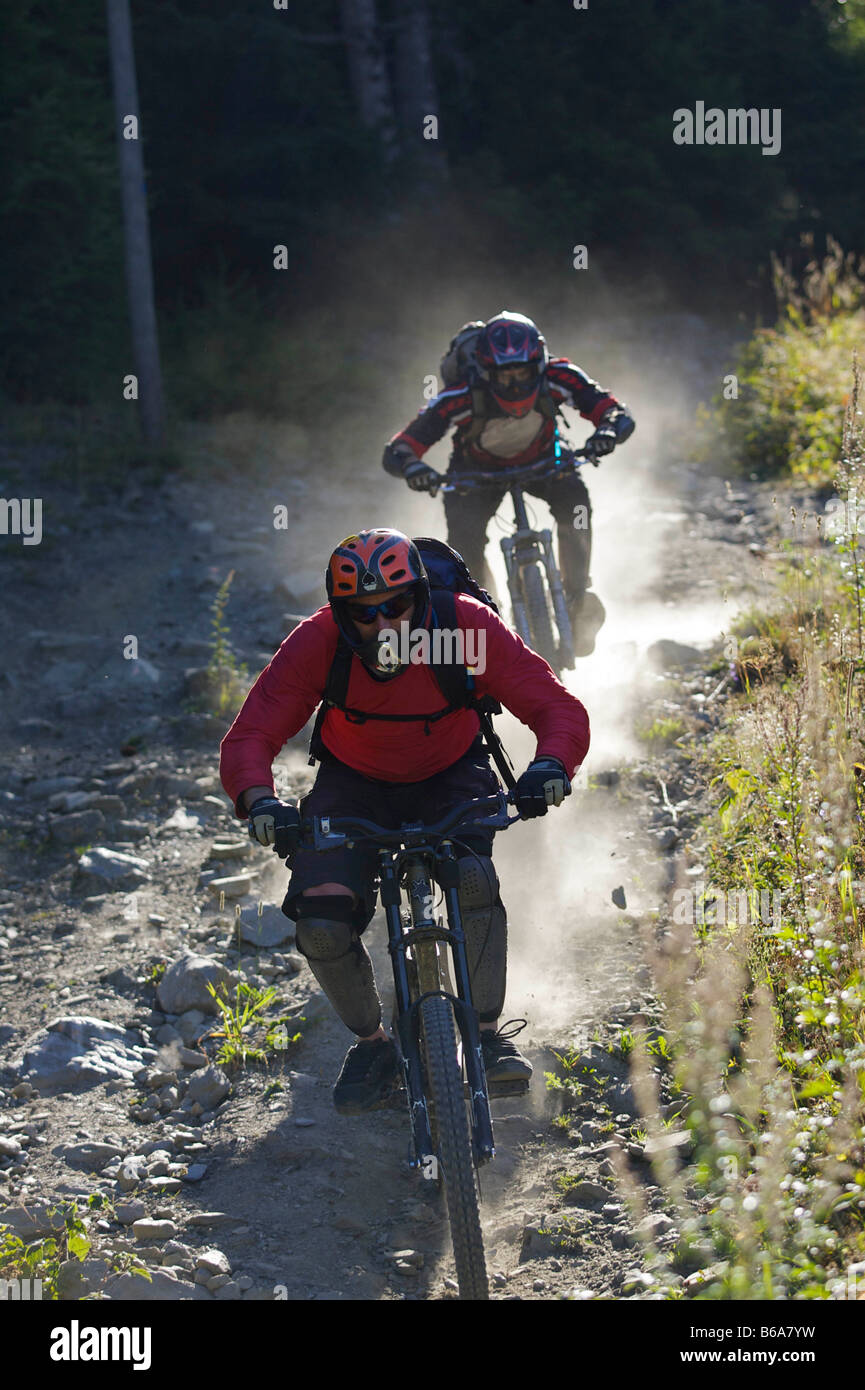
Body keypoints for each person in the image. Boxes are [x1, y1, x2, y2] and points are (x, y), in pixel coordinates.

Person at [219, 528, 590, 1114]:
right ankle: (373, 1046)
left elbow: (555, 706)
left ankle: (489, 1039)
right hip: (353, 784)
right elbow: (252, 735)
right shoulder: (318, 641)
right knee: (321, 923)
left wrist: (549, 764)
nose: (383, 623)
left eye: (396, 606)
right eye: (364, 613)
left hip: (452, 771)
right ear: (341, 614)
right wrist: (259, 801)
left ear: (419, 597)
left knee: (473, 881)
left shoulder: (465, 627)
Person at [382, 311, 635, 655]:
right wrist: (413, 467)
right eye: (505, 375)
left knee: (576, 510)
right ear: (485, 372)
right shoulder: (459, 396)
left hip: (547, 463)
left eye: (523, 373)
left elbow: (613, 411)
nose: (515, 383)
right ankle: (480, 616)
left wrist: (607, 430)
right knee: (463, 545)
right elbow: (400, 448)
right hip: (475, 476)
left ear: (540, 366)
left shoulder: (560, 376)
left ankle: (577, 597)